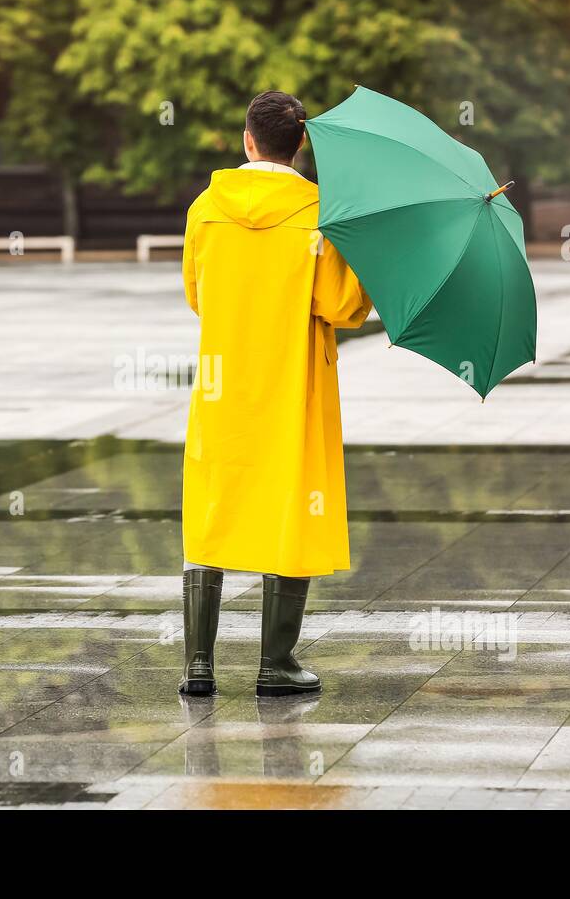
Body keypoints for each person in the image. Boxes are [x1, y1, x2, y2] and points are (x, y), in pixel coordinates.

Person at [179, 90, 372, 698]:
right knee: (293, 503)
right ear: (300, 149)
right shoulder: (319, 214)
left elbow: (198, 295)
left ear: (247, 140)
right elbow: (341, 306)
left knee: (213, 504)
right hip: (293, 382)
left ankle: (199, 665)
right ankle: (275, 663)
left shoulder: (206, 209)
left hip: (224, 383)